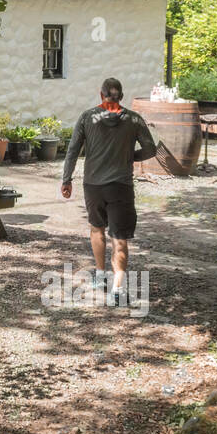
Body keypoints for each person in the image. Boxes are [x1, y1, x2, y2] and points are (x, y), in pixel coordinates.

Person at [60, 78, 157, 304]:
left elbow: (72, 150)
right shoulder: (133, 119)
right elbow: (151, 149)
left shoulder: (87, 117)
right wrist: (130, 157)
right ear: (121, 97)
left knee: (97, 229)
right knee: (120, 238)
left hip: (93, 185)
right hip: (121, 186)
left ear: (100, 95)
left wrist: (66, 179)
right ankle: (118, 289)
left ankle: (101, 275)